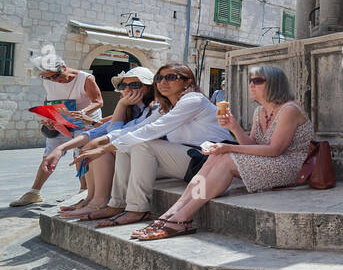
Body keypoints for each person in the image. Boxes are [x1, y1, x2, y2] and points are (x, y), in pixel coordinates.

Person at [131, 65, 313, 240]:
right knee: (217, 155)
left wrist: (228, 147)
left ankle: (183, 217)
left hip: (291, 167)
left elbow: (275, 150)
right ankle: (172, 212)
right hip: (269, 162)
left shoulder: (289, 110)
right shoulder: (260, 111)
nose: (251, 84)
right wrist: (234, 127)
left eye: (257, 80)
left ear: (275, 84)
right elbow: (253, 145)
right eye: (250, 80)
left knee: (225, 157)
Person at [82, 63, 226, 229]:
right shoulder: (165, 107)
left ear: (187, 82)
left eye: (170, 77)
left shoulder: (194, 99)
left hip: (209, 161)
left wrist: (104, 148)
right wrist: (102, 141)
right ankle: (116, 204)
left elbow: (152, 130)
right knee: (126, 148)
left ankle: (137, 209)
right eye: (159, 78)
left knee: (143, 145)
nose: (163, 82)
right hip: (187, 160)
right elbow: (137, 128)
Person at [45, 68, 157, 219]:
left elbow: (115, 134)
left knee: (99, 148)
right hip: (133, 156)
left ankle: (99, 201)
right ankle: (91, 197)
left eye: (135, 85)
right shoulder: (132, 109)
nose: (128, 90)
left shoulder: (152, 109)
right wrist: (60, 148)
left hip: (147, 160)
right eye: (124, 86)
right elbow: (95, 132)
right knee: (91, 145)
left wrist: (121, 104)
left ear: (148, 88)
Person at [9, 56, 103, 207]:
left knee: (82, 154)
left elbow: (98, 101)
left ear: (63, 67)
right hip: (60, 122)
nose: (53, 80)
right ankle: (34, 193)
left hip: (84, 121)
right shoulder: (49, 81)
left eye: (55, 76)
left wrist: (83, 112)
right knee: (49, 154)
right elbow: (49, 100)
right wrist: (47, 117)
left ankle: (84, 191)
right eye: (47, 78)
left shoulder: (85, 79)